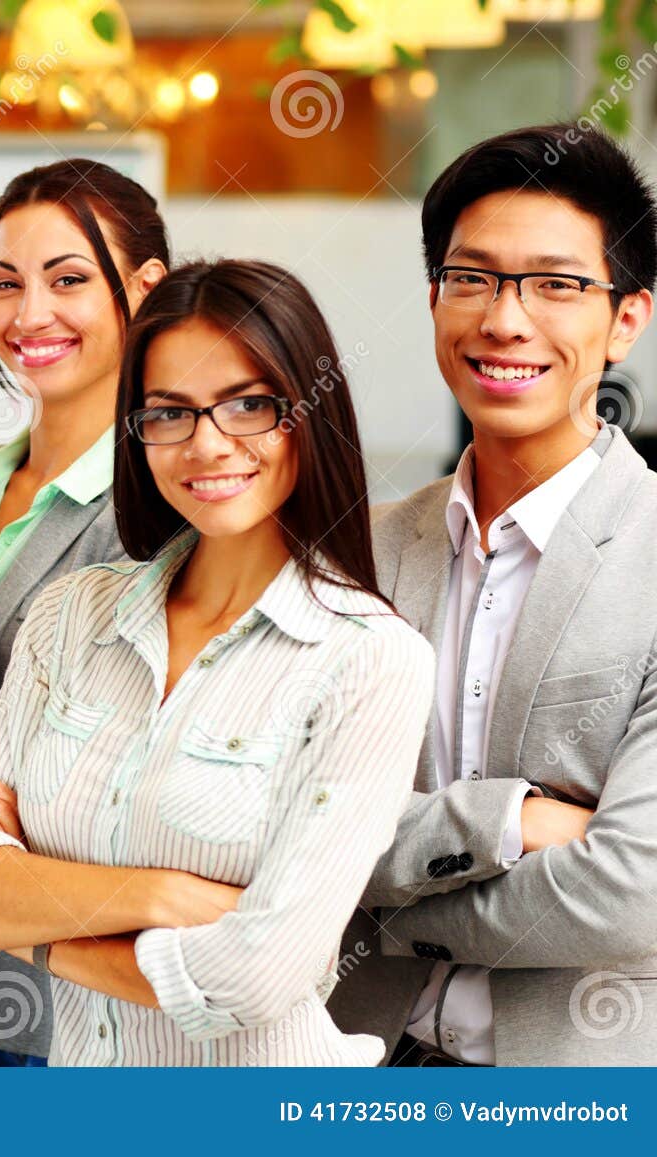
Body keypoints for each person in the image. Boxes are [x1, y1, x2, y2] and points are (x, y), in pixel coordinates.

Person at [0, 259, 437, 1066]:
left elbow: (254, 977)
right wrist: (153, 896)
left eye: (249, 405)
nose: (208, 444)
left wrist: (32, 920)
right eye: (169, 413)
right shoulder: (70, 617)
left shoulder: (370, 659)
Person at [328, 123, 657, 1066]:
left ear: (627, 317)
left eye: (557, 285)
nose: (505, 321)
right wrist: (511, 820)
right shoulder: (357, 549)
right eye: (473, 278)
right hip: (349, 1069)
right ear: (435, 297)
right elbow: (275, 819)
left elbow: (631, 886)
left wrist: (367, 917)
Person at [0, 158, 167, 1068]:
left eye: (69, 280)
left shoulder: (166, 506)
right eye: (5, 284)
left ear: (146, 290)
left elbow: (136, 751)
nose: (30, 315)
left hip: (90, 994)